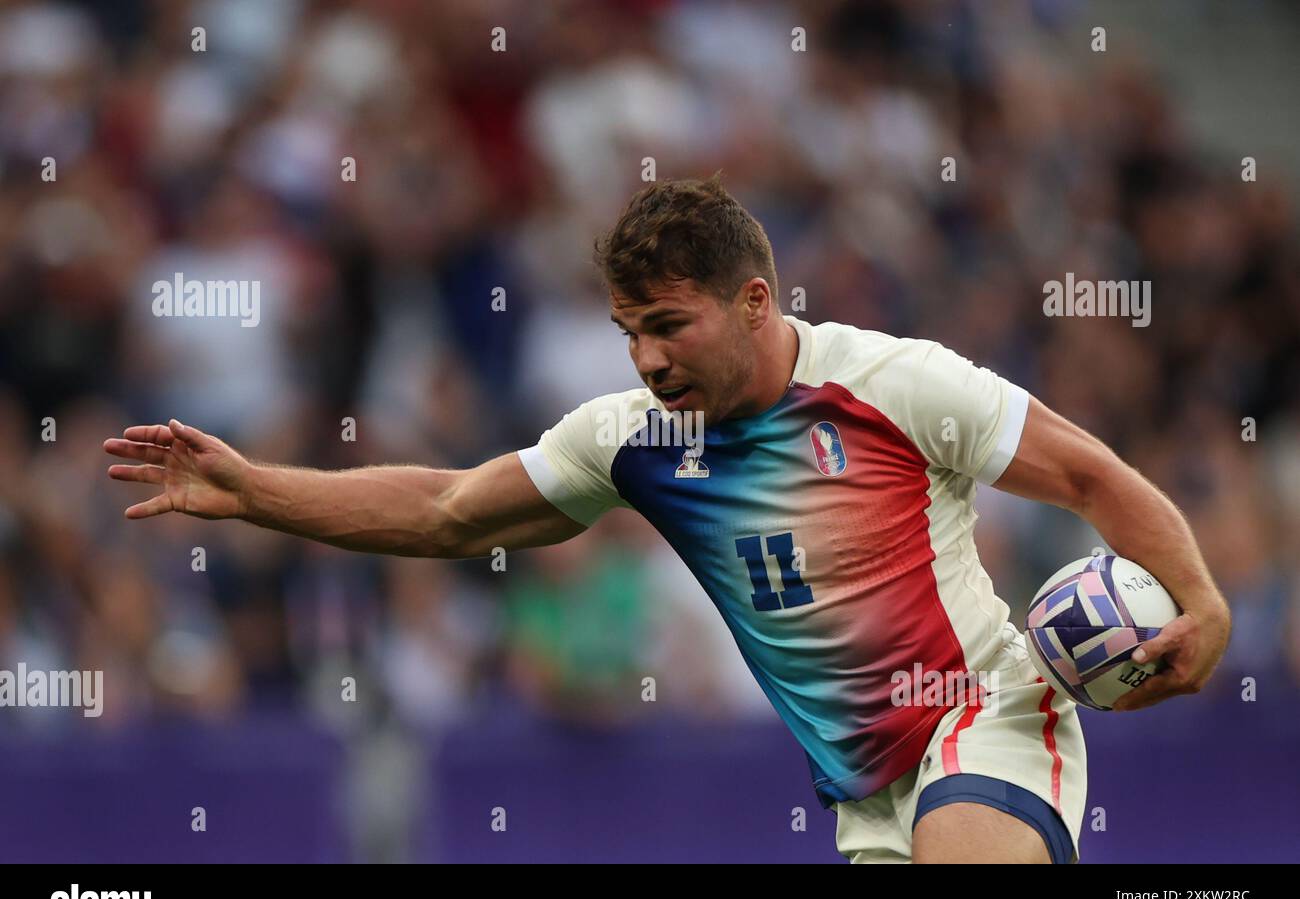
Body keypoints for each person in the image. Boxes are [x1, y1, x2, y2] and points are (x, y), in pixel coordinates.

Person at [105, 175, 1230, 863]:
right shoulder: (632, 440)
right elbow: (448, 510)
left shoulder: (894, 383)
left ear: (753, 302)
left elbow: (1088, 476)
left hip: (984, 718)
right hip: (863, 792)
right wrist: (258, 492)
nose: (645, 357)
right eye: (626, 329)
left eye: (668, 325)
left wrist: (1205, 603)